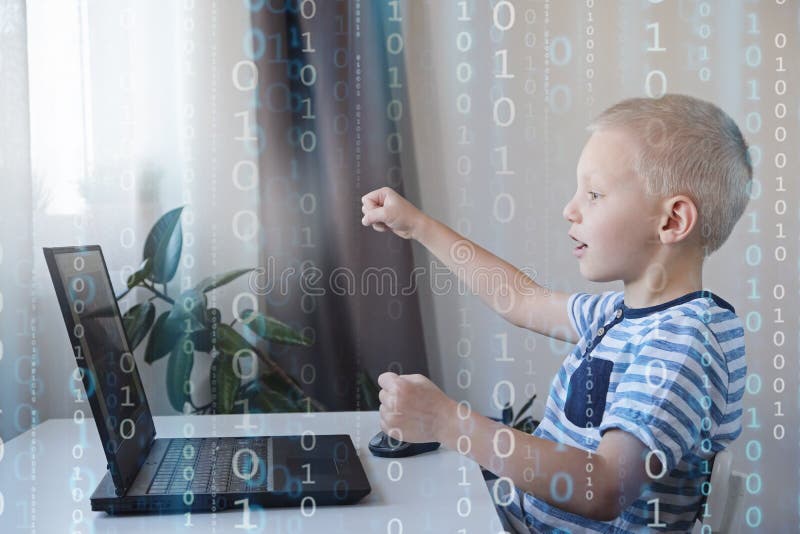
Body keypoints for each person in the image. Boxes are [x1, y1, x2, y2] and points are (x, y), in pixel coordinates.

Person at [360, 94, 749, 532]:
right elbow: (519, 299)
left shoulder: (684, 342)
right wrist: (416, 225)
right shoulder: (623, 316)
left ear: (672, 221)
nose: (570, 209)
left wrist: (446, 421)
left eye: (594, 194)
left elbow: (604, 486)